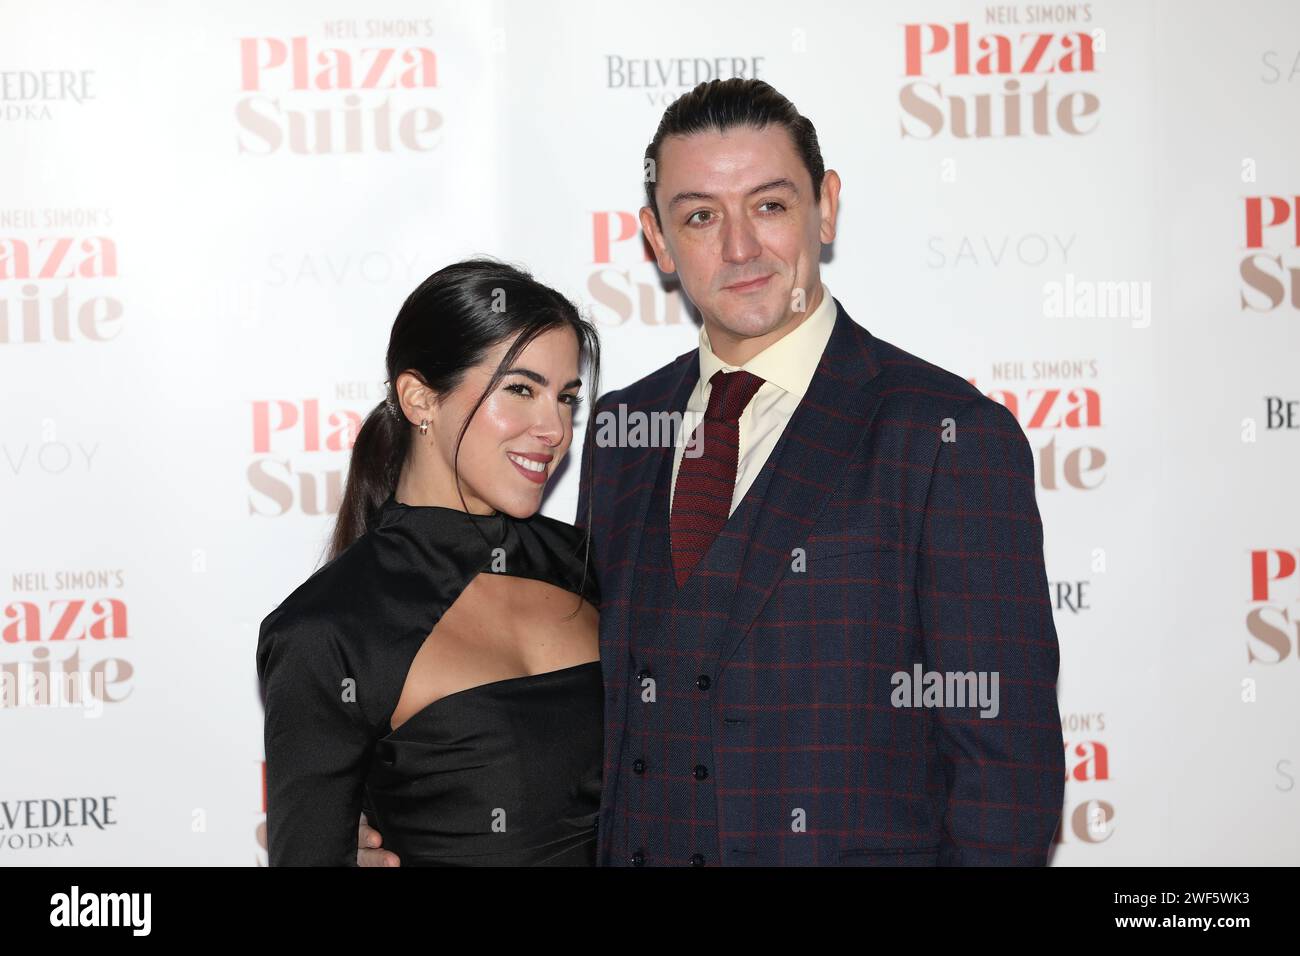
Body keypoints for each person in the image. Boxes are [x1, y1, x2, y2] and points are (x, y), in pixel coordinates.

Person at [360, 79, 1065, 867]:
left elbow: (1006, 770)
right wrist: (407, 821)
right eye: (700, 216)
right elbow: (575, 710)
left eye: (770, 205)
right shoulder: (622, 430)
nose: (739, 248)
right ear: (657, 240)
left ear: (825, 207)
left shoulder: (946, 437)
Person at [257, 258, 604, 866]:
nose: (554, 428)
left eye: (567, 398)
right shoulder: (328, 630)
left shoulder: (596, 565)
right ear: (420, 397)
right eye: (520, 389)